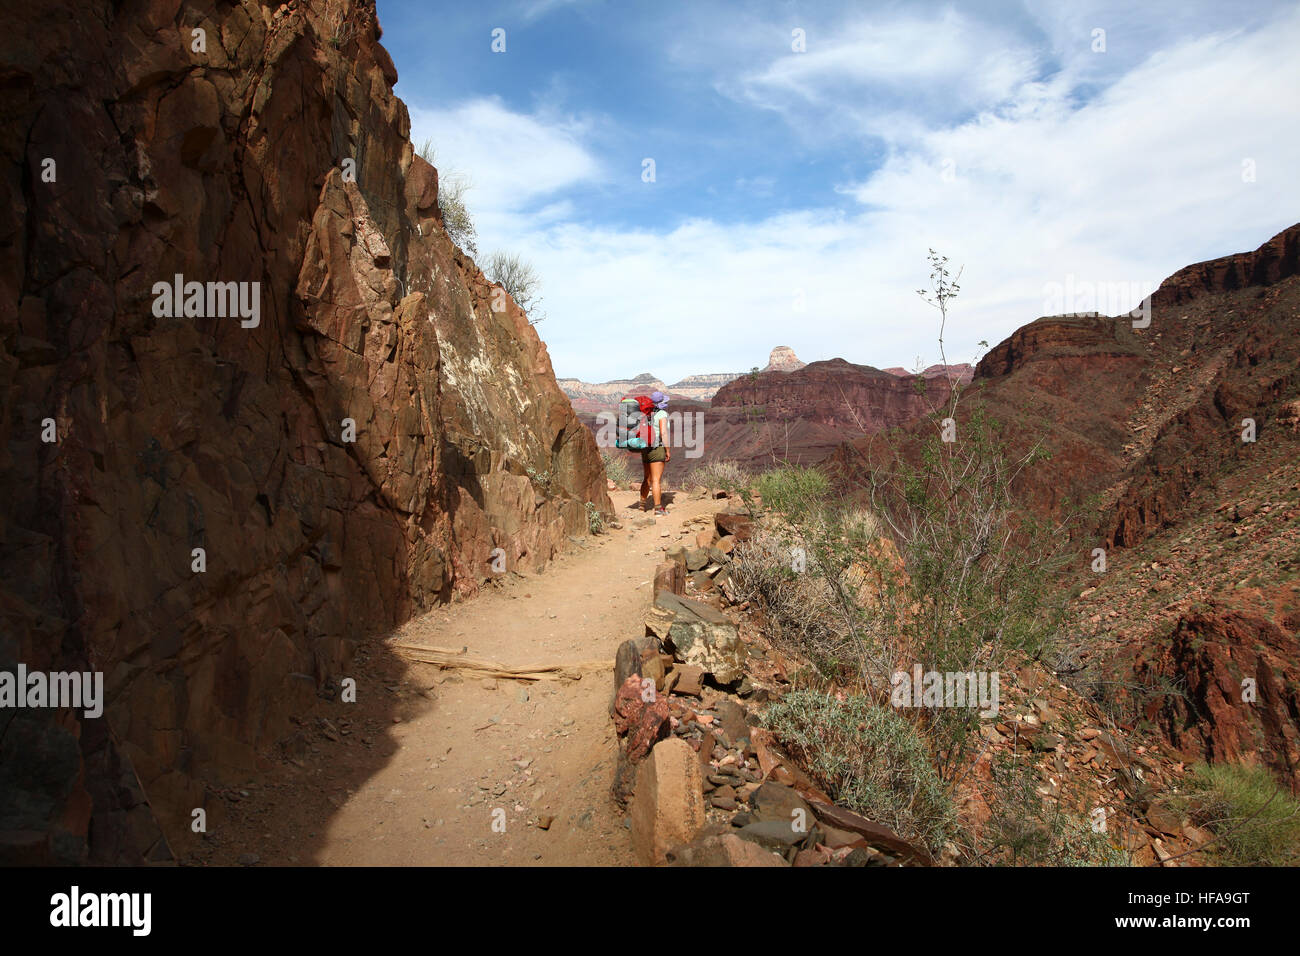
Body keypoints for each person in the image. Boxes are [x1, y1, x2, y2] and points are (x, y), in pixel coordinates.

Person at [639, 391, 671, 515]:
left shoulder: (646, 413)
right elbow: (663, 433)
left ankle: (642, 506)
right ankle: (658, 509)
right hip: (657, 448)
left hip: (645, 448)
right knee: (656, 480)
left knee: (647, 478)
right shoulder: (662, 414)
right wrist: (667, 449)